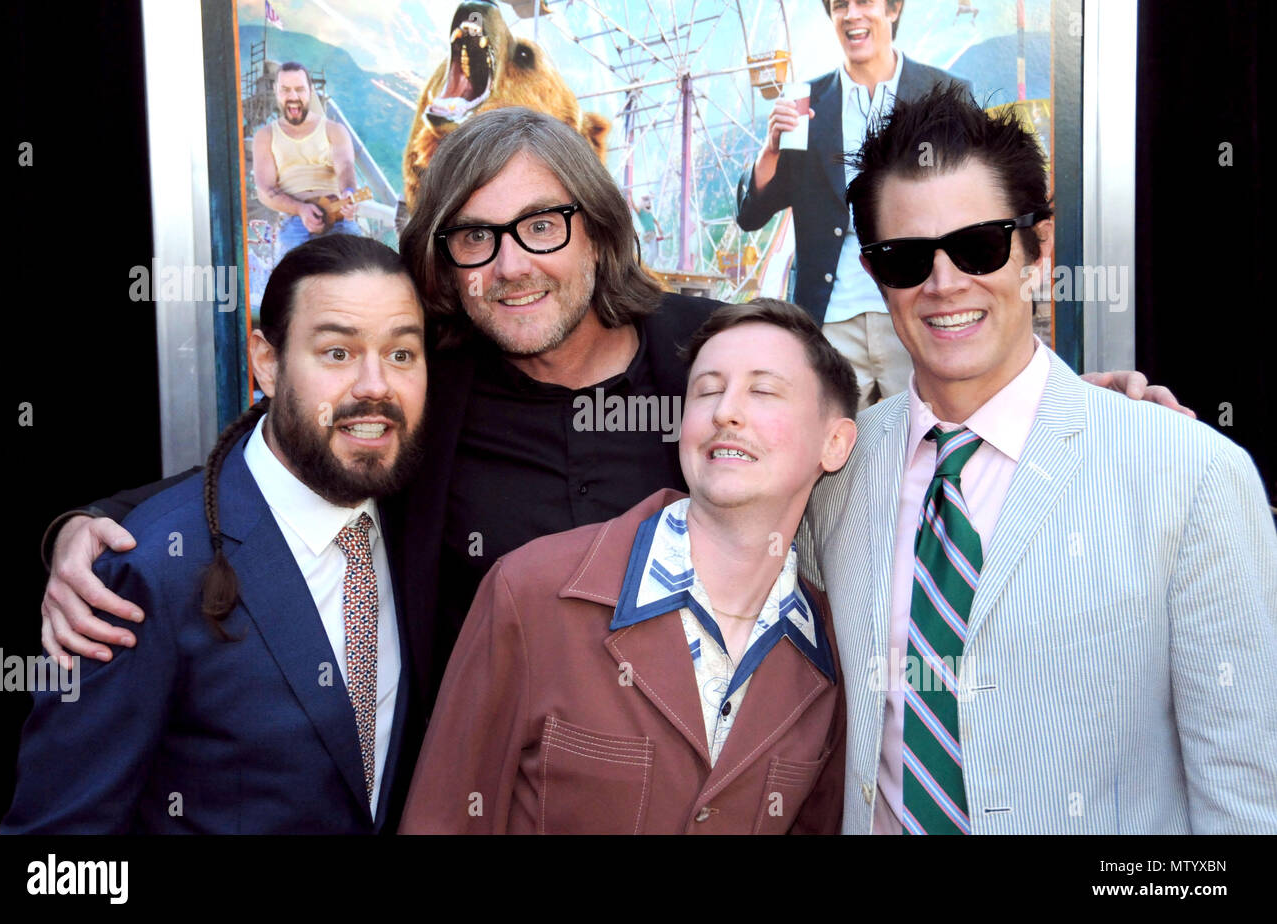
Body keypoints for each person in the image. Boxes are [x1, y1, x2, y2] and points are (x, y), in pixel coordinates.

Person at [35, 108, 1184, 787]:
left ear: (596, 230)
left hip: (730, 786)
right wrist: (92, 530)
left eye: (540, 226)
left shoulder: (710, 355)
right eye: (473, 240)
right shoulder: (435, 385)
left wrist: (1090, 409)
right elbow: (282, 465)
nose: (512, 264)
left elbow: (901, 384)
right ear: (442, 263)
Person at [799, 85, 1277, 835]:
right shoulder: (835, 475)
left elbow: (1246, 800)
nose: (945, 283)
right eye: (905, 258)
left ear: (1036, 252)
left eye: (979, 245)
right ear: (875, 274)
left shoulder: (1190, 476)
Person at [3, 236, 429, 832]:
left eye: (402, 355)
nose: (375, 385)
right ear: (268, 363)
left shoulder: (424, 522)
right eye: (337, 352)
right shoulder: (145, 573)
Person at [403, 299, 856, 833]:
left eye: (763, 390)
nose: (725, 411)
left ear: (834, 443)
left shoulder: (832, 651)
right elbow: (445, 817)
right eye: (706, 390)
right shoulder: (531, 592)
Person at [736, 0, 972, 410]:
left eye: (864, 1)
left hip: (918, 305)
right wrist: (771, 151)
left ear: (893, 10)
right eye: (840, 4)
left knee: (932, 439)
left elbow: (972, 202)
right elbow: (750, 215)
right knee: (832, 457)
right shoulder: (806, 104)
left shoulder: (945, 95)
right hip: (831, 318)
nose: (852, 14)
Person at [252, 62, 362, 259]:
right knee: (292, 284)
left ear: (310, 91)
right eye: (285, 90)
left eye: (299, 89)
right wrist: (301, 209)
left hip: (338, 217)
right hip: (295, 223)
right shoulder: (265, 136)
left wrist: (349, 194)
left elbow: (345, 167)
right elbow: (265, 191)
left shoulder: (334, 130)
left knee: (361, 272)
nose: (293, 97)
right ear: (276, 92)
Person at [631, 191, 665, 266]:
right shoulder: (642, 213)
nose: (649, 203)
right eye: (647, 201)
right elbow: (635, 208)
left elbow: (655, 221)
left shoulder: (649, 214)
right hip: (648, 234)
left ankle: (650, 264)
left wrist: (659, 228)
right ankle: (647, 265)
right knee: (652, 251)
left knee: (655, 252)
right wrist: (630, 197)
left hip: (653, 234)